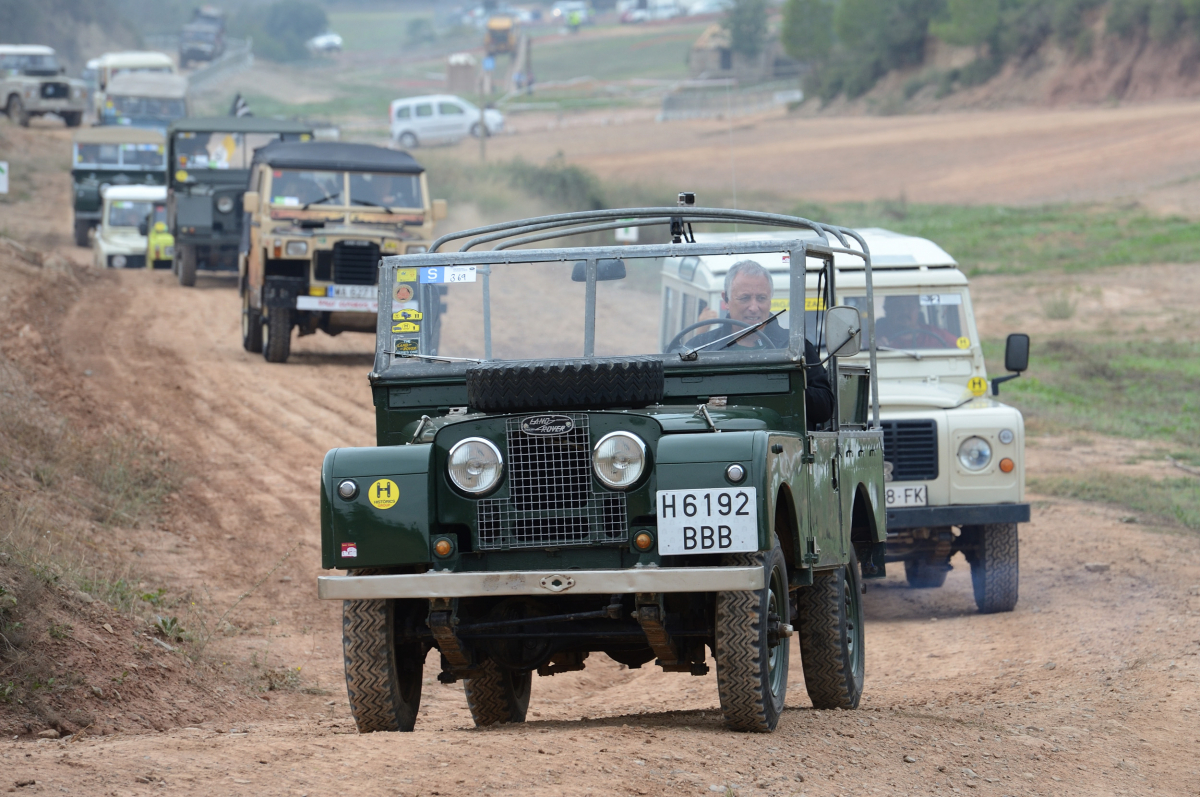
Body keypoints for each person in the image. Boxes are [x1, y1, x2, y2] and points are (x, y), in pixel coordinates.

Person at [685, 260, 834, 428]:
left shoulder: (795, 347)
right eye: (745, 298)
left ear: (770, 300)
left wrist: (788, 385)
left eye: (761, 298)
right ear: (726, 299)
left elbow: (825, 407)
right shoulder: (701, 347)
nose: (754, 307)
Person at [875, 295, 956, 349]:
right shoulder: (874, 337)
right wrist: (875, 348)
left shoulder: (938, 335)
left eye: (910, 305)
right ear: (887, 310)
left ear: (918, 309)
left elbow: (961, 348)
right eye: (897, 306)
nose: (905, 311)